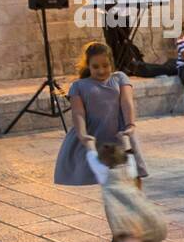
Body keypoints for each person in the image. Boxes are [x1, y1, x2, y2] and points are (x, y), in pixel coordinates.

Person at [54, 41, 149, 192]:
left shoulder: (119, 78)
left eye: (105, 65)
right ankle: (112, 210)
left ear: (111, 63)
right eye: (95, 67)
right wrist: (82, 134)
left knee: (132, 173)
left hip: (120, 133)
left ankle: (138, 203)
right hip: (96, 135)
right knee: (107, 180)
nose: (101, 70)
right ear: (88, 66)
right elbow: (78, 113)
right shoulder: (79, 86)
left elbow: (126, 102)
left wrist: (130, 125)